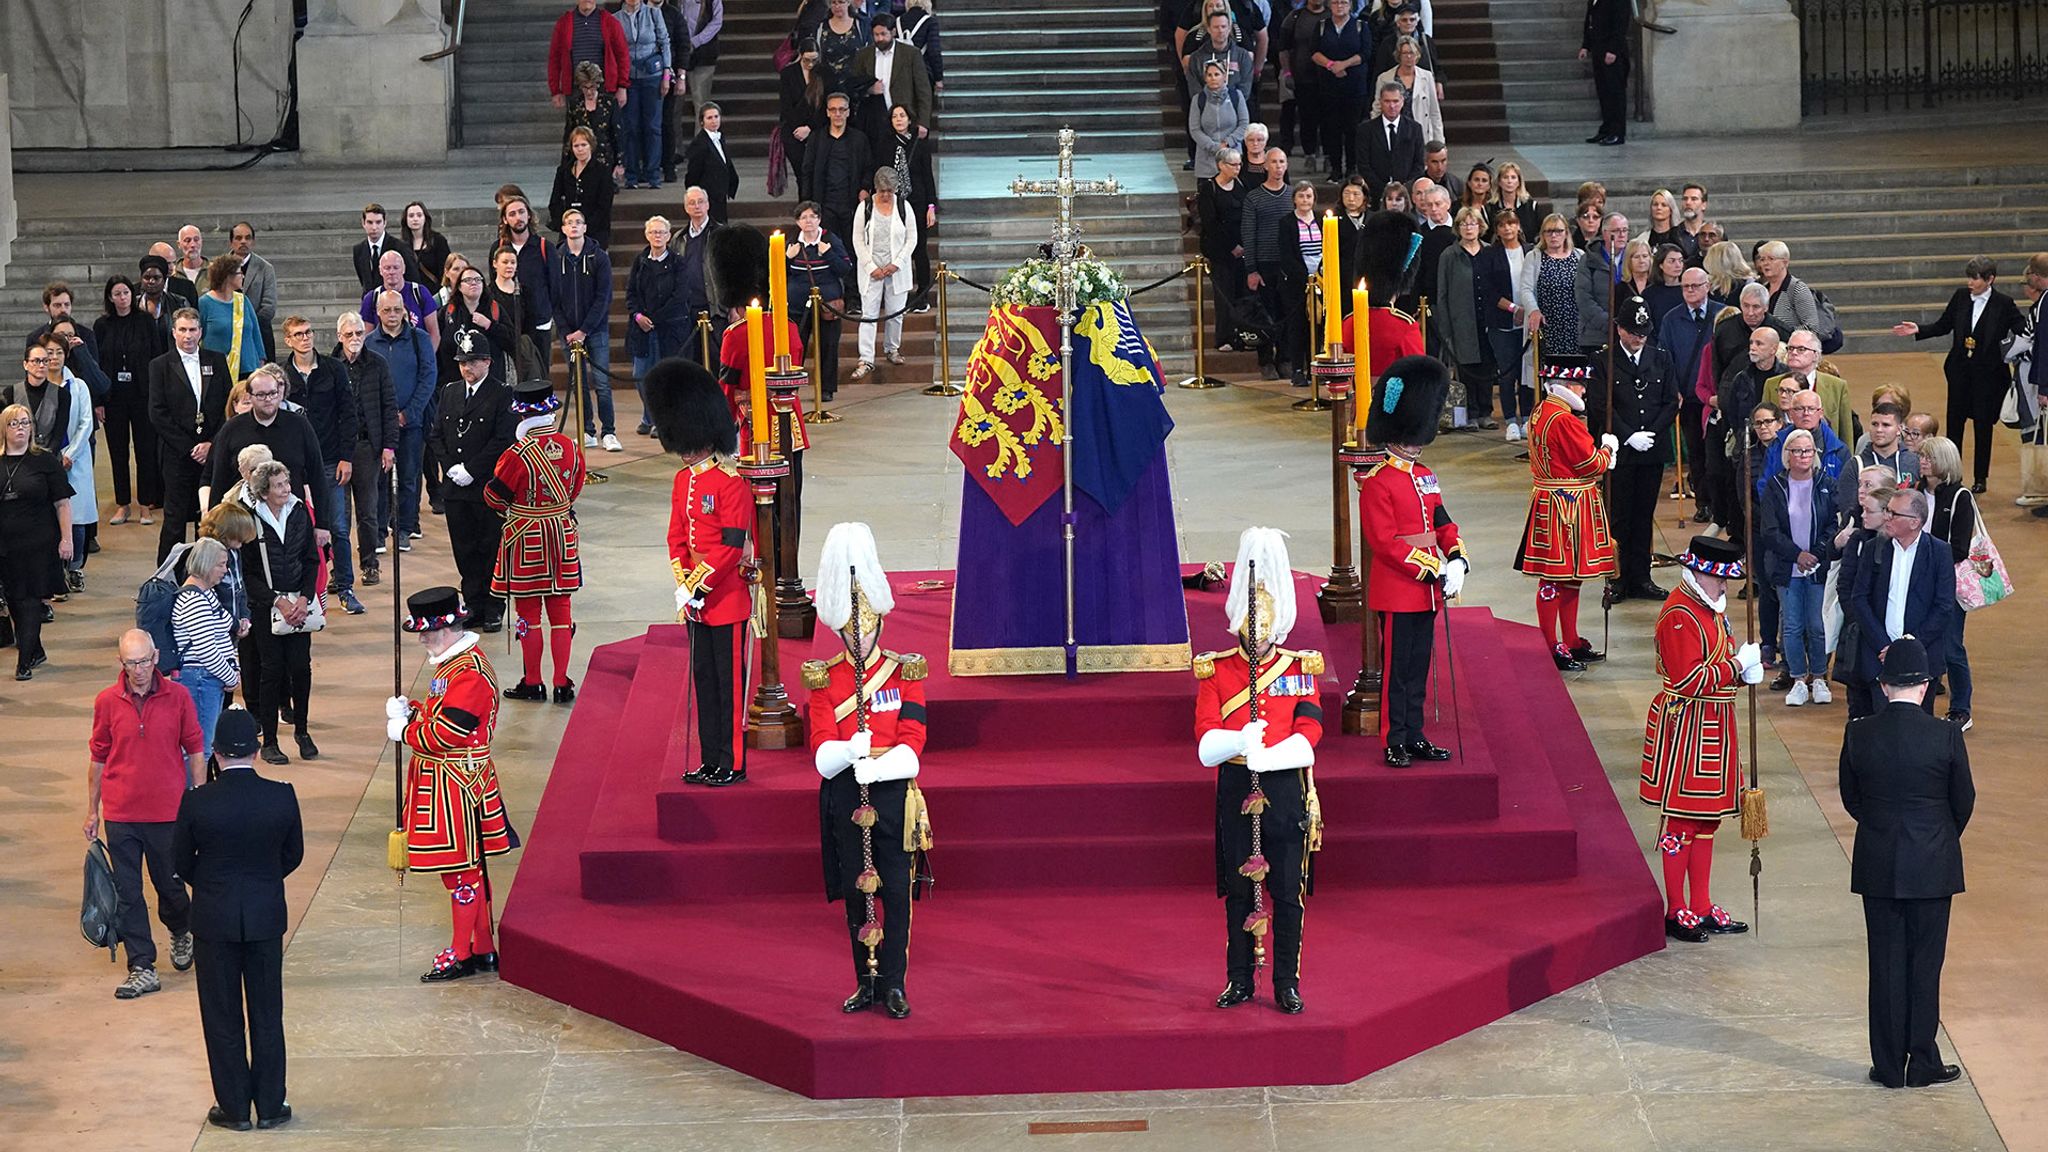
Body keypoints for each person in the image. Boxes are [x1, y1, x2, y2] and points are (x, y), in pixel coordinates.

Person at [801, 522, 932, 1019]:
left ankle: (894, 984)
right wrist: (846, 751)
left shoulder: (904, 673)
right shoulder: (825, 679)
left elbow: (913, 746)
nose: (859, 638)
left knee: (895, 893)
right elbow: (820, 753)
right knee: (857, 897)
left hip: (892, 796)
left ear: (880, 623)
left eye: (867, 628)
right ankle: (865, 982)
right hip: (844, 796)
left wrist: (875, 768)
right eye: (850, 631)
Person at [1193, 527, 1324, 1015]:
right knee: (1238, 891)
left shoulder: (1300, 668)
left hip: (1284, 786)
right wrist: (1237, 742)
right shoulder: (1216, 670)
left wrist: (1268, 756)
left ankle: (1287, 982)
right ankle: (1239, 979)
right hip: (1235, 785)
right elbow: (1205, 741)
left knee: (1287, 891)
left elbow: (1310, 731)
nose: (1259, 639)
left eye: (1265, 632)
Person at [1839, 636, 1973, 1089]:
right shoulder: (1946, 735)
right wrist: (1937, 837)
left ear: (1883, 685)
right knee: (1925, 966)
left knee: (1885, 964)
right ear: (1925, 686)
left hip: (1877, 861)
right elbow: (1963, 801)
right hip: (1933, 864)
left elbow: (1852, 799)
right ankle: (1924, 1061)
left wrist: (1882, 828)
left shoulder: (1858, 732)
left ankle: (1889, 1065)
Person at [172, 708, 302, 1132]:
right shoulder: (281, 796)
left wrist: (212, 885)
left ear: (216, 752)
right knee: (267, 1013)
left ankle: (233, 1107)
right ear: (256, 751)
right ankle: (271, 1104)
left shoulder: (197, 801)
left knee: (222, 1015)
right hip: (265, 917)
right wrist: (263, 880)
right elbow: (293, 854)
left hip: (214, 919)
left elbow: (181, 861)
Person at [390, 587, 519, 981]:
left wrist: (406, 731)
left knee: (461, 870)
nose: (422, 639)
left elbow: (447, 734)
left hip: (457, 783)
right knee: (470, 868)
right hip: (450, 779)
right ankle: (483, 946)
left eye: (427, 632)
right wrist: (414, 711)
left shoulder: (468, 673)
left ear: (447, 630)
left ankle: (462, 952)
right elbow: (440, 714)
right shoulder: (453, 664)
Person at [1639, 535, 1760, 943]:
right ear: (1701, 574)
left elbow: (1717, 664)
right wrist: (1736, 667)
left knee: (1707, 820)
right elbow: (1689, 680)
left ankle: (1702, 905)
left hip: (1714, 726)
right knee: (1681, 820)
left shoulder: (1710, 608)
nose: (1725, 586)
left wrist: (1741, 674)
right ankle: (1676, 908)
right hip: (1687, 728)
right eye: (1721, 579)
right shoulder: (1680, 614)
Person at [648, 358, 753, 786]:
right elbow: (677, 537)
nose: (686, 450)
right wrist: (684, 586)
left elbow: (731, 547)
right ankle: (711, 759)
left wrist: (698, 585)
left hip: (725, 600)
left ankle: (732, 762)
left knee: (728, 689)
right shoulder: (682, 481)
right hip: (696, 603)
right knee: (705, 683)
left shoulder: (731, 483)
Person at [1358, 356, 1465, 768]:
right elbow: (1385, 543)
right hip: (1398, 590)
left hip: (1427, 593)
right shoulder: (1377, 482)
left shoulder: (1424, 474)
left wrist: (1456, 558)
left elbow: (1441, 521)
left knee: (1419, 668)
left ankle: (1415, 734)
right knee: (1396, 672)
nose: (1417, 444)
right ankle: (1394, 738)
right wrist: (1432, 566)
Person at [85, 628, 203, 999]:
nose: (139, 670)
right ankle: (141, 965)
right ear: (120, 663)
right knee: (128, 892)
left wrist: (197, 800)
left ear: (156, 658)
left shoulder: (178, 696)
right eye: (131, 663)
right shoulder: (107, 701)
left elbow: (195, 749)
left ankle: (181, 928)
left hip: (168, 812)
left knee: (170, 885)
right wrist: (92, 811)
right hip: (121, 813)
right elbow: (98, 758)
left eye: (144, 661)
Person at [1515, 355, 1619, 669]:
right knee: (1555, 578)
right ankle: (1552, 645)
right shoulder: (1565, 420)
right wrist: (1608, 449)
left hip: (1553, 502)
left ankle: (1569, 640)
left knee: (1570, 577)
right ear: (1568, 385)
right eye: (1581, 384)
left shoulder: (1541, 410)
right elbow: (1591, 464)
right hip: (1567, 507)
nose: (1584, 390)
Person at [486, 379, 586, 703]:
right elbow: (575, 488)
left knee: (528, 614)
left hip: (527, 538)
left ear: (522, 415)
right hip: (562, 534)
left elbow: (494, 497)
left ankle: (533, 682)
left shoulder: (515, 455)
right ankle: (562, 682)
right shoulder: (571, 447)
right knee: (561, 612)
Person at [1892, 258, 2027, 493]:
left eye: (1975, 278)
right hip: (1960, 373)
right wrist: (1920, 329)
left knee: (1983, 427)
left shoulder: (2004, 303)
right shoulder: (1961, 297)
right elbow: (1944, 325)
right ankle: (1951, 474)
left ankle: (1980, 477)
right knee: (1955, 425)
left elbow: (2022, 329)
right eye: (1969, 278)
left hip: (1988, 377)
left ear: (1990, 279)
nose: (1970, 283)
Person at [436, 330, 518, 632]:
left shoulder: (502, 394)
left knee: (490, 548)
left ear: (487, 362)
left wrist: (471, 469)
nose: (467, 368)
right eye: (462, 362)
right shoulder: (450, 392)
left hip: (486, 487)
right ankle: (472, 604)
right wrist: (450, 467)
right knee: (465, 549)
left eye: (472, 362)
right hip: (456, 489)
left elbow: (503, 440)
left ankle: (493, 607)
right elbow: (436, 435)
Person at [1599, 296, 1679, 600]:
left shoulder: (1661, 358)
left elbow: (1670, 401)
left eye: (1643, 333)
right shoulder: (1604, 361)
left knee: (1645, 516)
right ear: (1619, 329)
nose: (1638, 338)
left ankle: (1642, 577)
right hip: (1620, 451)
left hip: (1651, 449)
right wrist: (1628, 435)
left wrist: (1651, 433)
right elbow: (1601, 406)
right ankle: (1617, 578)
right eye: (1633, 332)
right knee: (1619, 516)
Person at [1848, 485, 1953, 716]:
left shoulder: (1940, 553)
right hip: (1878, 657)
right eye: (1887, 510)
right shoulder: (1874, 548)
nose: (1886, 517)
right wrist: (1884, 645)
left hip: (1922, 659)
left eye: (1893, 513)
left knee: (1918, 728)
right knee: (1879, 726)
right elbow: (1860, 598)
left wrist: (1908, 647)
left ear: (1915, 522)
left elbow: (1944, 607)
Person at [242, 460, 319, 764]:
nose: (286, 489)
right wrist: (277, 601)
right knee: (271, 671)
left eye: (287, 482)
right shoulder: (250, 518)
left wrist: (304, 598)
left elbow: (311, 559)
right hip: (266, 608)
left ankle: (302, 730)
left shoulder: (299, 511)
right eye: (279, 485)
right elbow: (249, 574)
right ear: (264, 492)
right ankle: (270, 741)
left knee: (301, 668)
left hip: (299, 605)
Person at [1758, 428, 1839, 706]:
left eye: (1808, 450)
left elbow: (1834, 524)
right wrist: (1797, 555)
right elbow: (1769, 530)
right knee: (1792, 626)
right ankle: (1798, 678)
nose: (1803, 455)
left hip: (1817, 567)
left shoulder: (1826, 483)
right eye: (1797, 451)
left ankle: (1819, 677)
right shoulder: (1776, 486)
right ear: (1787, 455)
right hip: (1786, 567)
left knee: (1817, 624)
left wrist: (1815, 553)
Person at [147, 311, 231, 563]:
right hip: (177, 454)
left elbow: (228, 405)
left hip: (212, 454)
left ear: (201, 332)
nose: (188, 335)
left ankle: (208, 570)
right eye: (182, 330)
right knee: (174, 519)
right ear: (173, 332)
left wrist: (211, 444)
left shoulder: (217, 360)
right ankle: (166, 576)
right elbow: (157, 412)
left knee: (209, 517)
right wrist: (190, 448)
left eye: (193, 329)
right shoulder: (159, 366)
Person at [0, 402, 71, 677]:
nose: (21, 428)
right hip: (6, 547)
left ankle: (24, 661)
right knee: (15, 599)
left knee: (30, 599)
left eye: (25, 422)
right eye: (14, 423)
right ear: (4, 429)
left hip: (39, 544)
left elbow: (62, 503)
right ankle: (36, 649)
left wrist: (66, 539)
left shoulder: (45, 461)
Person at [96, 275, 167, 526]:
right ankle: (122, 504)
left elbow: (157, 357)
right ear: (110, 297)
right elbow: (97, 364)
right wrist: (99, 401)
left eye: (126, 292)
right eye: (117, 294)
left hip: (142, 395)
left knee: (145, 451)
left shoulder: (145, 321)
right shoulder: (102, 325)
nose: (122, 298)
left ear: (132, 295)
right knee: (118, 452)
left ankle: (145, 505)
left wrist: (158, 394)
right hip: (114, 397)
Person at [1918, 436, 1979, 731]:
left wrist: (1927, 558)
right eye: (1922, 456)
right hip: (1918, 582)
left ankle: (1961, 709)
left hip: (1947, 584)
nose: (1923, 461)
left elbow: (1959, 548)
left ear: (1944, 461)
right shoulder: (1915, 492)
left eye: (1929, 457)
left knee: (1952, 647)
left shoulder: (1959, 497)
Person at [171, 538, 243, 760]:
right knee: (199, 750)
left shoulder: (207, 594)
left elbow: (226, 622)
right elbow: (206, 651)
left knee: (203, 747)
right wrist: (231, 677)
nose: (225, 570)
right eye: (221, 564)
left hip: (207, 679)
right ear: (206, 564)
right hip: (200, 680)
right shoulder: (194, 601)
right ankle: (193, 783)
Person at [1832, 480, 1895, 718]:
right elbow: (1845, 585)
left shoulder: (1898, 547)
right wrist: (1859, 620)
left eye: (1869, 511)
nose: (1862, 515)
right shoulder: (1858, 540)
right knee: (1858, 708)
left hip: (1888, 635)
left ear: (1887, 514)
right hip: (1859, 635)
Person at [850, 169, 918, 381]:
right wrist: (870, 266)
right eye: (882, 191)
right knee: (868, 314)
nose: (886, 195)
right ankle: (866, 358)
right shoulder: (865, 207)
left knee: (896, 313)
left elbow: (912, 239)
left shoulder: (904, 207)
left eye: (890, 190)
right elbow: (857, 239)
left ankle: (892, 348)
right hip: (871, 271)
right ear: (875, 189)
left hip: (896, 269)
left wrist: (896, 264)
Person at [789, 202, 854, 400]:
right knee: (795, 347)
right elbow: (776, 273)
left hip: (827, 305)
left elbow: (845, 269)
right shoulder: (791, 242)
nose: (808, 221)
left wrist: (828, 253)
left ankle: (827, 389)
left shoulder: (830, 240)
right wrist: (787, 258)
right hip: (797, 307)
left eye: (813, 216)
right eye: (804, 217)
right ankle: (791, 387)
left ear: (819, 219)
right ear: (798, 222)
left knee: (828, 346)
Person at [1474, 208, 1530, 438]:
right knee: (1508, 372)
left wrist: (1527, 310)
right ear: (1497, 230)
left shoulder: (1530, 251)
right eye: (1502, 225)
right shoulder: (1489, 254)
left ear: (1518, 226)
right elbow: (1487, 290)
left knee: (1527, 372)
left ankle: (1527, 417)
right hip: (1501, 322)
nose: (1507, 228)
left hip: (1528, 322)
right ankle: (1510, 420)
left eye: (1511, 223)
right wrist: (1513, 308)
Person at [1240, 148, 1295, 380]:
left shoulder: (1292, 195)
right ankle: (1265, 361)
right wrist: (1252, 269)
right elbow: (1248, 233)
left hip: (1288, 265)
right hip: (1264, 264)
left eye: (1282, 162)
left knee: (1286, 313)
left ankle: (1285, 358)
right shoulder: (1254, 197)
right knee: (1265, 315)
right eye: (1273, 162)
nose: (1278, 166)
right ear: (1265, 165)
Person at [1436, 206, 1491, 423]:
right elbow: (1442, 293)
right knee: (1467, 368)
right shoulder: (1449, 255)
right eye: (1464, 224)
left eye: (1473, 223)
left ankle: (1486, 412)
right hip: (1462, 321)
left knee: (1487, 366)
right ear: (1457, 228)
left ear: (1480, 226)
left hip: (1487, 320)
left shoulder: (1489, 251)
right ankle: (1471, 413)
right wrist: (1445, 327)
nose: (1469, 228)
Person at [851, 14, 934, 151]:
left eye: (883, 34)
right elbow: (854, 85)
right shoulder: (863, 55)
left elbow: (923, 90)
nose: (880, 39)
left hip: (905, 119)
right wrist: (869, 90)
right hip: (874, 121)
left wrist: (923, 121)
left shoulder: (911, 54)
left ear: (893, 32)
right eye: (876, 35)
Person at [1270, 180, 1324, 387]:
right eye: (1301, 196)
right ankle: (1298, 370)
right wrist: (1305, 278)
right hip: (1295, 283)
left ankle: (1315, 368)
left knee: (1317, 327)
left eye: (1309, 196)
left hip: (1320, 281)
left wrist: (1319, 275)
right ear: (1294, 199)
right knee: (1297, 326)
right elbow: (1287, 255)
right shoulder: (1286, 223)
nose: (1305, 200)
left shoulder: (1321, 220)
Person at [615, 0, 674, 189]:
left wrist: (666, 75)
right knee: (631, 127)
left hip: (652, 77)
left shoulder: (654, 13)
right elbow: (614, 49)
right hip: (628, 79)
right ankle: (632, 175)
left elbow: (664, 43)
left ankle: (653, 174)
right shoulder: (616, 18)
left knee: (653, 127)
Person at [801, 92, 872, 244]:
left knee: (853, 246)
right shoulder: (816, 138)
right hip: (824, 204)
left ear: (848, 112)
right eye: (833, 110)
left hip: (851, 203)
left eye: (842, 109)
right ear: (827, 112)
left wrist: (865, 188)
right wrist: (806, 203)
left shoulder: (859, 139)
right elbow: (807, 171)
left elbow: (868, 167)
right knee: (827, 247)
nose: (837, 114)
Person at [1199, 152, 1252, 353]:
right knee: (1224, 295)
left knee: (1242, 294)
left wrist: (1244, 244)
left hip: (1243, 248)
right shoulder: (1209, 188)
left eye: (1239, 164)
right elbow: (1210, 222)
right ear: (1221, 165)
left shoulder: (1241, 185)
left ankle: (1244, 335)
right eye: (1233, 164)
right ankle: (1225, 337)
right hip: (1221, 251)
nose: (1237, 168)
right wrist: (1232, 246)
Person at [1766, 327, 1852, 450]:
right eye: (1790, 348)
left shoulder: (1837, 386)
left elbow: (1846, 432)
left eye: (1801, 349)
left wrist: (1847, 458)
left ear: (1816, 355)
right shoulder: (1771, 385)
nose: (1794, 352)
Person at [1311, 0, 1368, 179]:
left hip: (1354, 87)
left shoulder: (1360, 26)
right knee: (1331, 128)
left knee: (1353, 129)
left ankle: (1352, 167)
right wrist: (1331, 65)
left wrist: (1344, 64)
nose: (1339, 5)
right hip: (1328, 87)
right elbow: (1314, 52)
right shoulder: (1322, 26)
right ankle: (1335, 168)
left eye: (1344, 2)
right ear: (1330, 5)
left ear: (1350, 5)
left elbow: (1365, 53)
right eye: (1335, 2)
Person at [549, 0, 629, 114]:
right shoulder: (564, 24)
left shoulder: (610, 22)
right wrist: (555, 90)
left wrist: (622, 86)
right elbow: (554, 59)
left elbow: (622, 56)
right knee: (577, 125)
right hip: (575, 89)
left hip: (604, 88)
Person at [549, 127, 620, 253]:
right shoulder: (564, 171)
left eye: (583, 145)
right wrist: (565, 224)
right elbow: (555, 200)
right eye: (576, 146)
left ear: (591, 146)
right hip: (569, 230)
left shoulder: (602, 171)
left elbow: (604, 205)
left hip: (595, 231)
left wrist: (584, 227)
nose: (580, 149)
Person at [195, 255, 266, 380]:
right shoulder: (205, 303)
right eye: (239, 273)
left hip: (248, 368)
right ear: (228, 276)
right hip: (219, 370)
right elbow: (199, 335)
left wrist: (261, 361)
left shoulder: (243, 300)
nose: (243, 276)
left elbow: (256, 334)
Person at [222, 224, 279, 372]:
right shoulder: (220, 268)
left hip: (259, 332)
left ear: (253, 241)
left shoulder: (265, 268)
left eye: (247, 238)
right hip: (226, 333)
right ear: (231, 242)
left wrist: (246, 325)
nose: (243, 241)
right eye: (238, 238)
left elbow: (269, 307)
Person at [1357, 82, 1423, 202]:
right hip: (1376, 194)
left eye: (1395, 101)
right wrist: (1384, 189)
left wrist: (1403, 188)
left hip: (1406, 195)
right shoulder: (1366, 129)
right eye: (1387, 101)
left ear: (1402, 101)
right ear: (1380, 102)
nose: (1392, 106)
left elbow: (1418, 164)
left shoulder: (1414, 128)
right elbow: (1363, 164)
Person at [681, 102, 742, 226]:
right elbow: (693, 174)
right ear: (701, 121)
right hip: (708, 198)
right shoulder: (699, 144)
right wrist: (697, 197)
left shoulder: (719, 138)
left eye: (716, 116)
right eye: (709, 118)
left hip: (720, 195)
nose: (714, 121)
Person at [562, 60, 626, 176]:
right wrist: (565, 166)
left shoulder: (609, 103)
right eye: (585, 87)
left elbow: (618, 134)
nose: (589, 91)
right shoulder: (575, 105)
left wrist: (620, 163)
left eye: (592, 87)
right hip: (581, 161)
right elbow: (569, 136)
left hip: (605, 160)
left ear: (598, 84)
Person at [1376, 37, 1442, 146]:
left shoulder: (1427, 77)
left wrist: (1439, 142)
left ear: (1417, 55)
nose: (1409, 56)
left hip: (1419, 132)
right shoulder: (1384, 78)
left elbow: (1434, 112)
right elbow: (1377, 108)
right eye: (1405, 53)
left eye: (1412, 53)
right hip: (1393, 132)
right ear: (1399, 55)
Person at [1580, 0, 1629, 145]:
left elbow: (1621, 24)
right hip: (1598, 50)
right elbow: (1590, 21)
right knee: (1604, 92)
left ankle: (1617, 132)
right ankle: (1606, 129)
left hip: (1612, 52)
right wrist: (1585, 46)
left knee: (1615, 93)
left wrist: (1613, 49)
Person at [779, 46, 827, 192]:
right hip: (794, 130)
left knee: (818, 173)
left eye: (814, 60)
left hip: (817, 128)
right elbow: (786, 105)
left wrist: (810, 128)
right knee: (801, 174)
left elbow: (826, 105)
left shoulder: (825, 72)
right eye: (806, 60)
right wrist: (798, 128)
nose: (810, 64)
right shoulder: (788, 73)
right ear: (800, 56)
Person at [350, 203, 420, 294]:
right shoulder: (358, 250)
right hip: (371, 300)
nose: (374, 227)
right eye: (370, 222)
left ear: (385, 223)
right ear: (363, 223)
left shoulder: (400, 247)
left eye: (378, 222)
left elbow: (413, 279)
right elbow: (364, 282)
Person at [679, 0, 724, 121]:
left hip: (703, 55)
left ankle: (702, 133)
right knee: (674, 107)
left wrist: (695, 41)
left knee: (701, 104)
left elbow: (717, 21)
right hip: (677, 55)